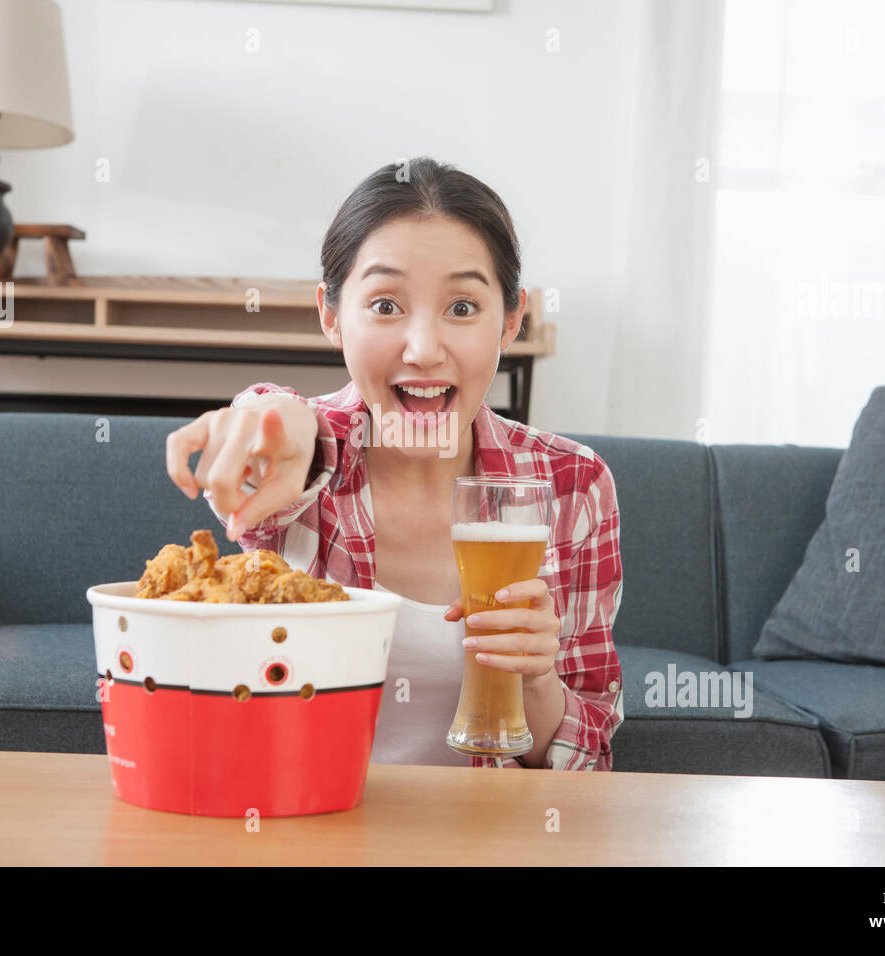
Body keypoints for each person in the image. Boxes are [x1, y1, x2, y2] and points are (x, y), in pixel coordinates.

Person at [165, 157, 623, 770]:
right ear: (331, 316)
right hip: (308, 831)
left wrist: (537, 680)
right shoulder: (297, 468)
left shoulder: (573, 485)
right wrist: (278, 419)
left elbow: (586, 762)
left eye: (462, 307)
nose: (424, 349)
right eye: (385, 305)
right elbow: (283, 431)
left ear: (510, 322)